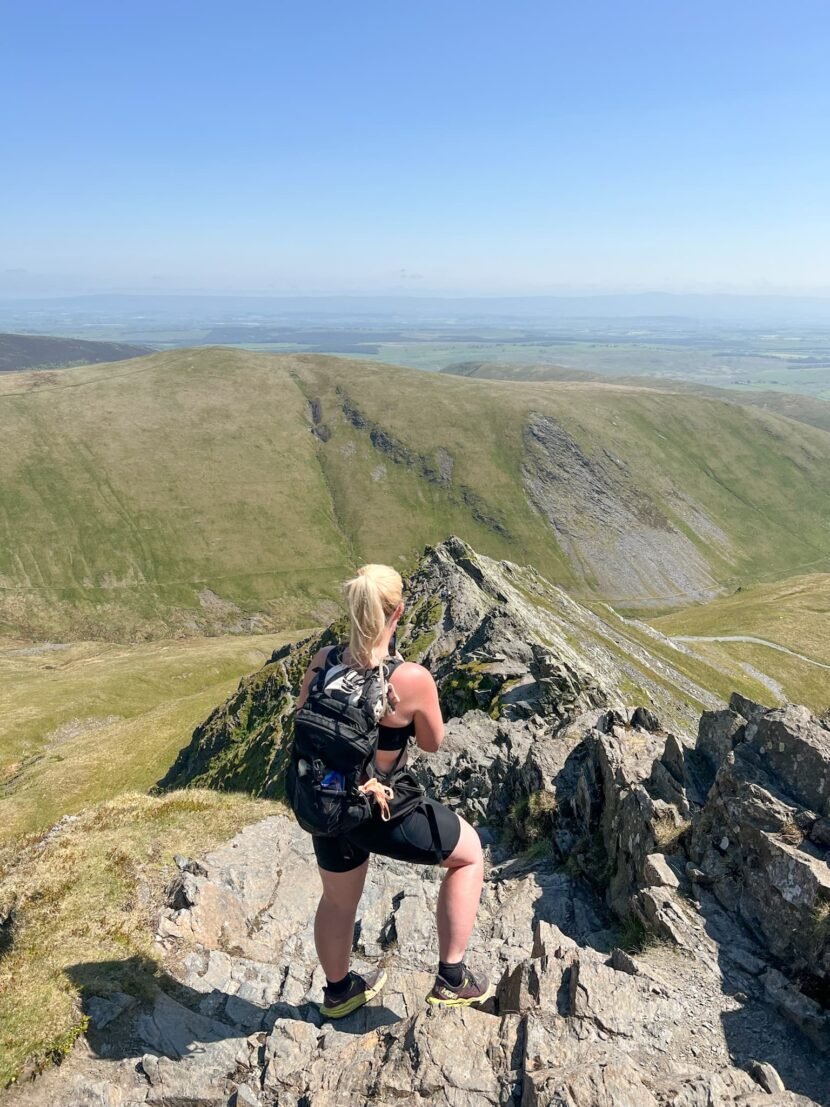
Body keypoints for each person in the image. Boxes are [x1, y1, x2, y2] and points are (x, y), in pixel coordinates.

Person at [296, 563, 492, 1019]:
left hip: (326, 800)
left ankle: (339, 991)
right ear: (398, 611)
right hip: (380, 808)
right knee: (469, 854)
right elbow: (431, 742)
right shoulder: (408, 679)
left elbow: (305, 710)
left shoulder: (323, 660)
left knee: (339, 901)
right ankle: (453, 978)